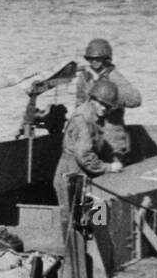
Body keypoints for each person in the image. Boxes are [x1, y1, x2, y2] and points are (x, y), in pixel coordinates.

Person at [53, 77, 124, 211]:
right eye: (101, 103)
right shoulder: (84, 120)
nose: (104, 108)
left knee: (85, 215)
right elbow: (84, 155)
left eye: (108, 106)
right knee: (70, 220)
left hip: (78, 173)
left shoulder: (92, 114)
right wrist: (108, 168)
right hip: (71, 175)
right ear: (92, 99)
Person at [75, 37, 142, 161]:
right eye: (91, 58)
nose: (94, 62)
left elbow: (136, 99)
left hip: (111, 134)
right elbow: (79, 101)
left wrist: (110, 97)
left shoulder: (114, 76)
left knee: (114, 167)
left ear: (106, 59)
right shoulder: (84, 77)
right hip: (91, 133)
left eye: (98, 58)